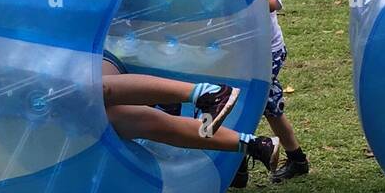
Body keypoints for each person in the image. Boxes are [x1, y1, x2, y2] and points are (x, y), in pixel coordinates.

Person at [232, 0, 309, 184]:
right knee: (266, 107)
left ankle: (238, 164)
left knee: (242, 105)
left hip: (268, 53)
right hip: (240, 54)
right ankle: (296, 159)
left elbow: (274, 2)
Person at [101, 59, 280, 173]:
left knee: (84, 91)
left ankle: (207, 94)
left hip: (87, 60)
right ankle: (253, 144)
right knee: (126, 121)